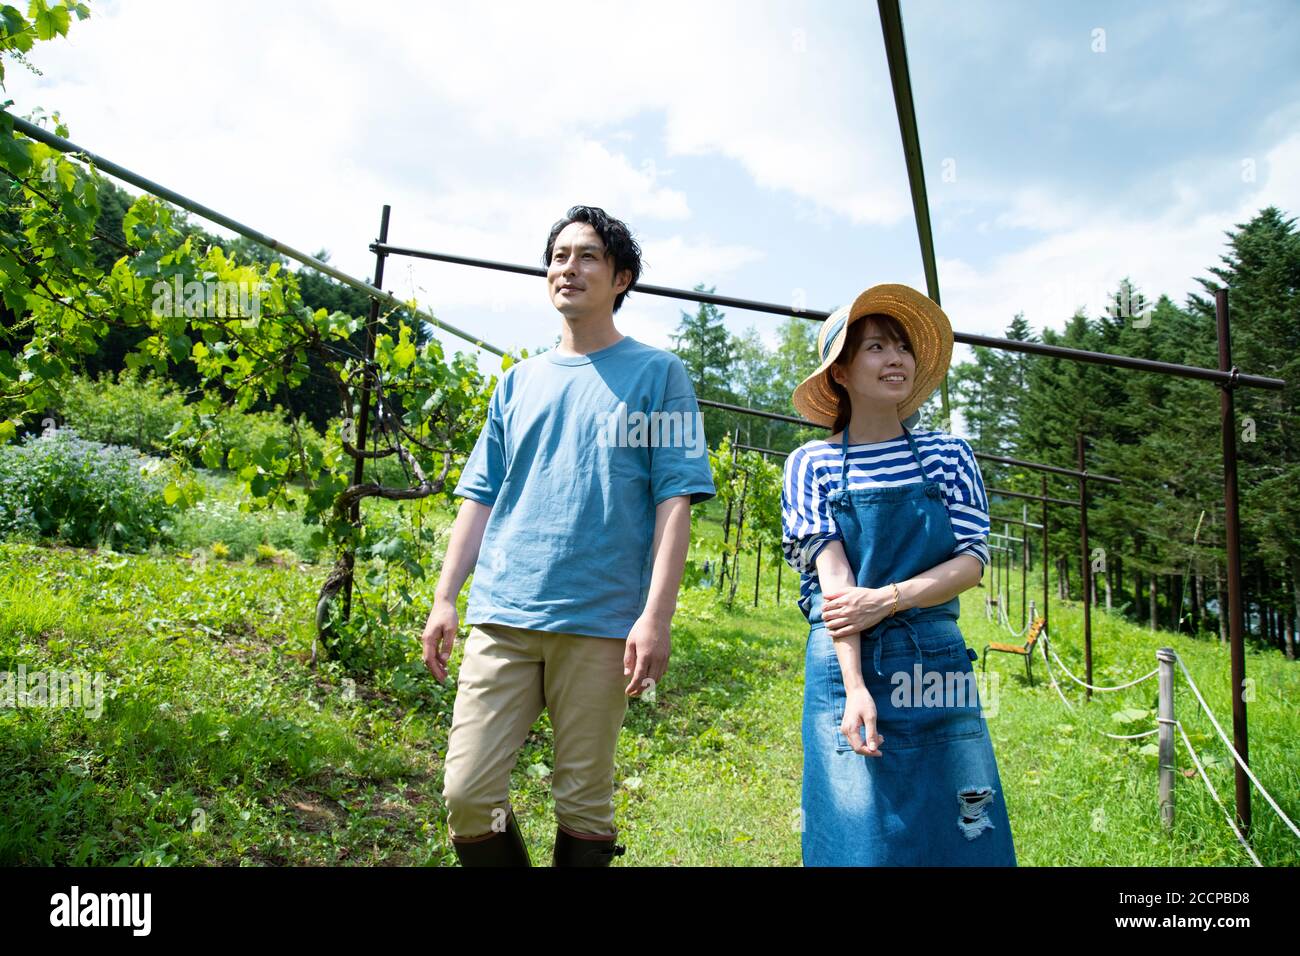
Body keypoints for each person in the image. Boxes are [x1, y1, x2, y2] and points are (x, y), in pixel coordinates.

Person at [421, 205, 716, 866]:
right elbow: (479, 497)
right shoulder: (517, 382)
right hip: (503, 613)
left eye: (587, 256)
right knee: (468, 794)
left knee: (583, 799)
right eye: (559, 256)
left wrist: (656, 617)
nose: (568, 268)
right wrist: (445, 597)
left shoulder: (658, 375)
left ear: (621, 278)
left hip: (600, 619)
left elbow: (675, 500)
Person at [781, 283, 1016, 866]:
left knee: (962, 822)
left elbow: (971, 562)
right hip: (845, 658)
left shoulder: (949, 456)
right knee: (857, 829)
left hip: (935, 655)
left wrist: (887, 598)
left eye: (903, 347)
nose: (897, 359)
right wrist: (855, 687)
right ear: (839, 373)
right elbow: (835, 584)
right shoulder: (811, 463)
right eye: (876, 347)